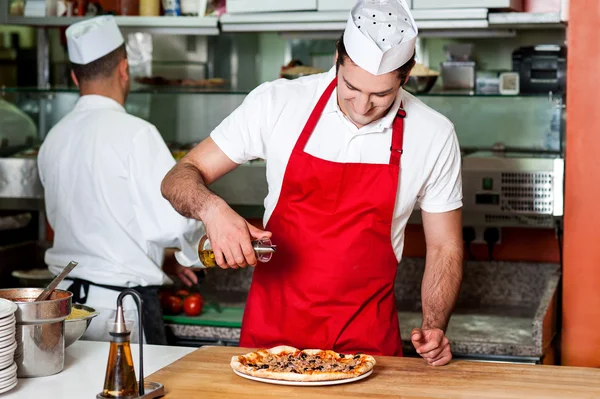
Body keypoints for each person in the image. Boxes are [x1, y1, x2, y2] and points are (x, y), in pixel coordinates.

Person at [161, 0, 463, 365]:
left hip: (366, 345)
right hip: (270, 339)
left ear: (407, 74)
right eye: (351, 86)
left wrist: (434, 324)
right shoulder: (279, 103)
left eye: (381, 95)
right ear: (338, 56)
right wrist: (213, 210)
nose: (363, 105)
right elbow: (180, 175)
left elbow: (445, 245)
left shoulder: (433, 134)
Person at [37, 16, 204, 345]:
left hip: (65, 308)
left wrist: (160, 258)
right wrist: (192, 256)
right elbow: (176, 223)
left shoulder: (53, 138)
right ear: (124, 68)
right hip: (122, 309)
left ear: (74, 77)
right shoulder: (138, 134)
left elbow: (79, 225)